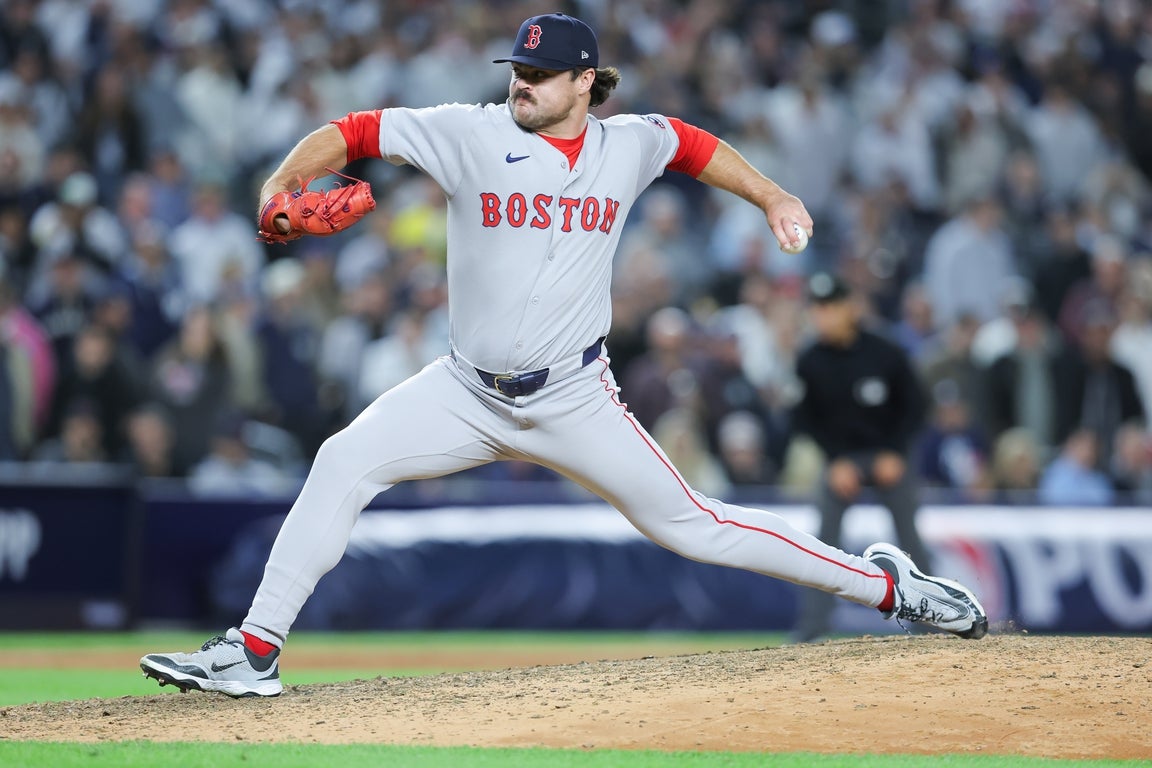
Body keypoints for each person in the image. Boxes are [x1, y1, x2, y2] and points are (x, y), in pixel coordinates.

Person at [140, 13, 986, 698]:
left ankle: (890, 587)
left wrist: (773, 194)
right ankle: (252, 652)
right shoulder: (468, 132)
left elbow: (693, 145)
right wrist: (277, 186)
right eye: (519, 68)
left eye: (541, 74)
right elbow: (352, 130)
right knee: (341, 459)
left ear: (586, 82)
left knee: (696, 528)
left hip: (575, 398)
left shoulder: (629, 145)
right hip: (465, 391)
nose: (523, 83)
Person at [790, 272, 935, 643]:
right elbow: (804, 419)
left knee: (911, 541)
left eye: (830, 307)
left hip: (888, 456)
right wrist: (835, 459)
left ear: (849, 308)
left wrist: (896, 453)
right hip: (842, 461)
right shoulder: (810, 361)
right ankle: (813, 631)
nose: (822, 316)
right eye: (817, 309)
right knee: (821, 543)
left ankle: (929, 624)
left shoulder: (885, 352)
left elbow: (916, 407)